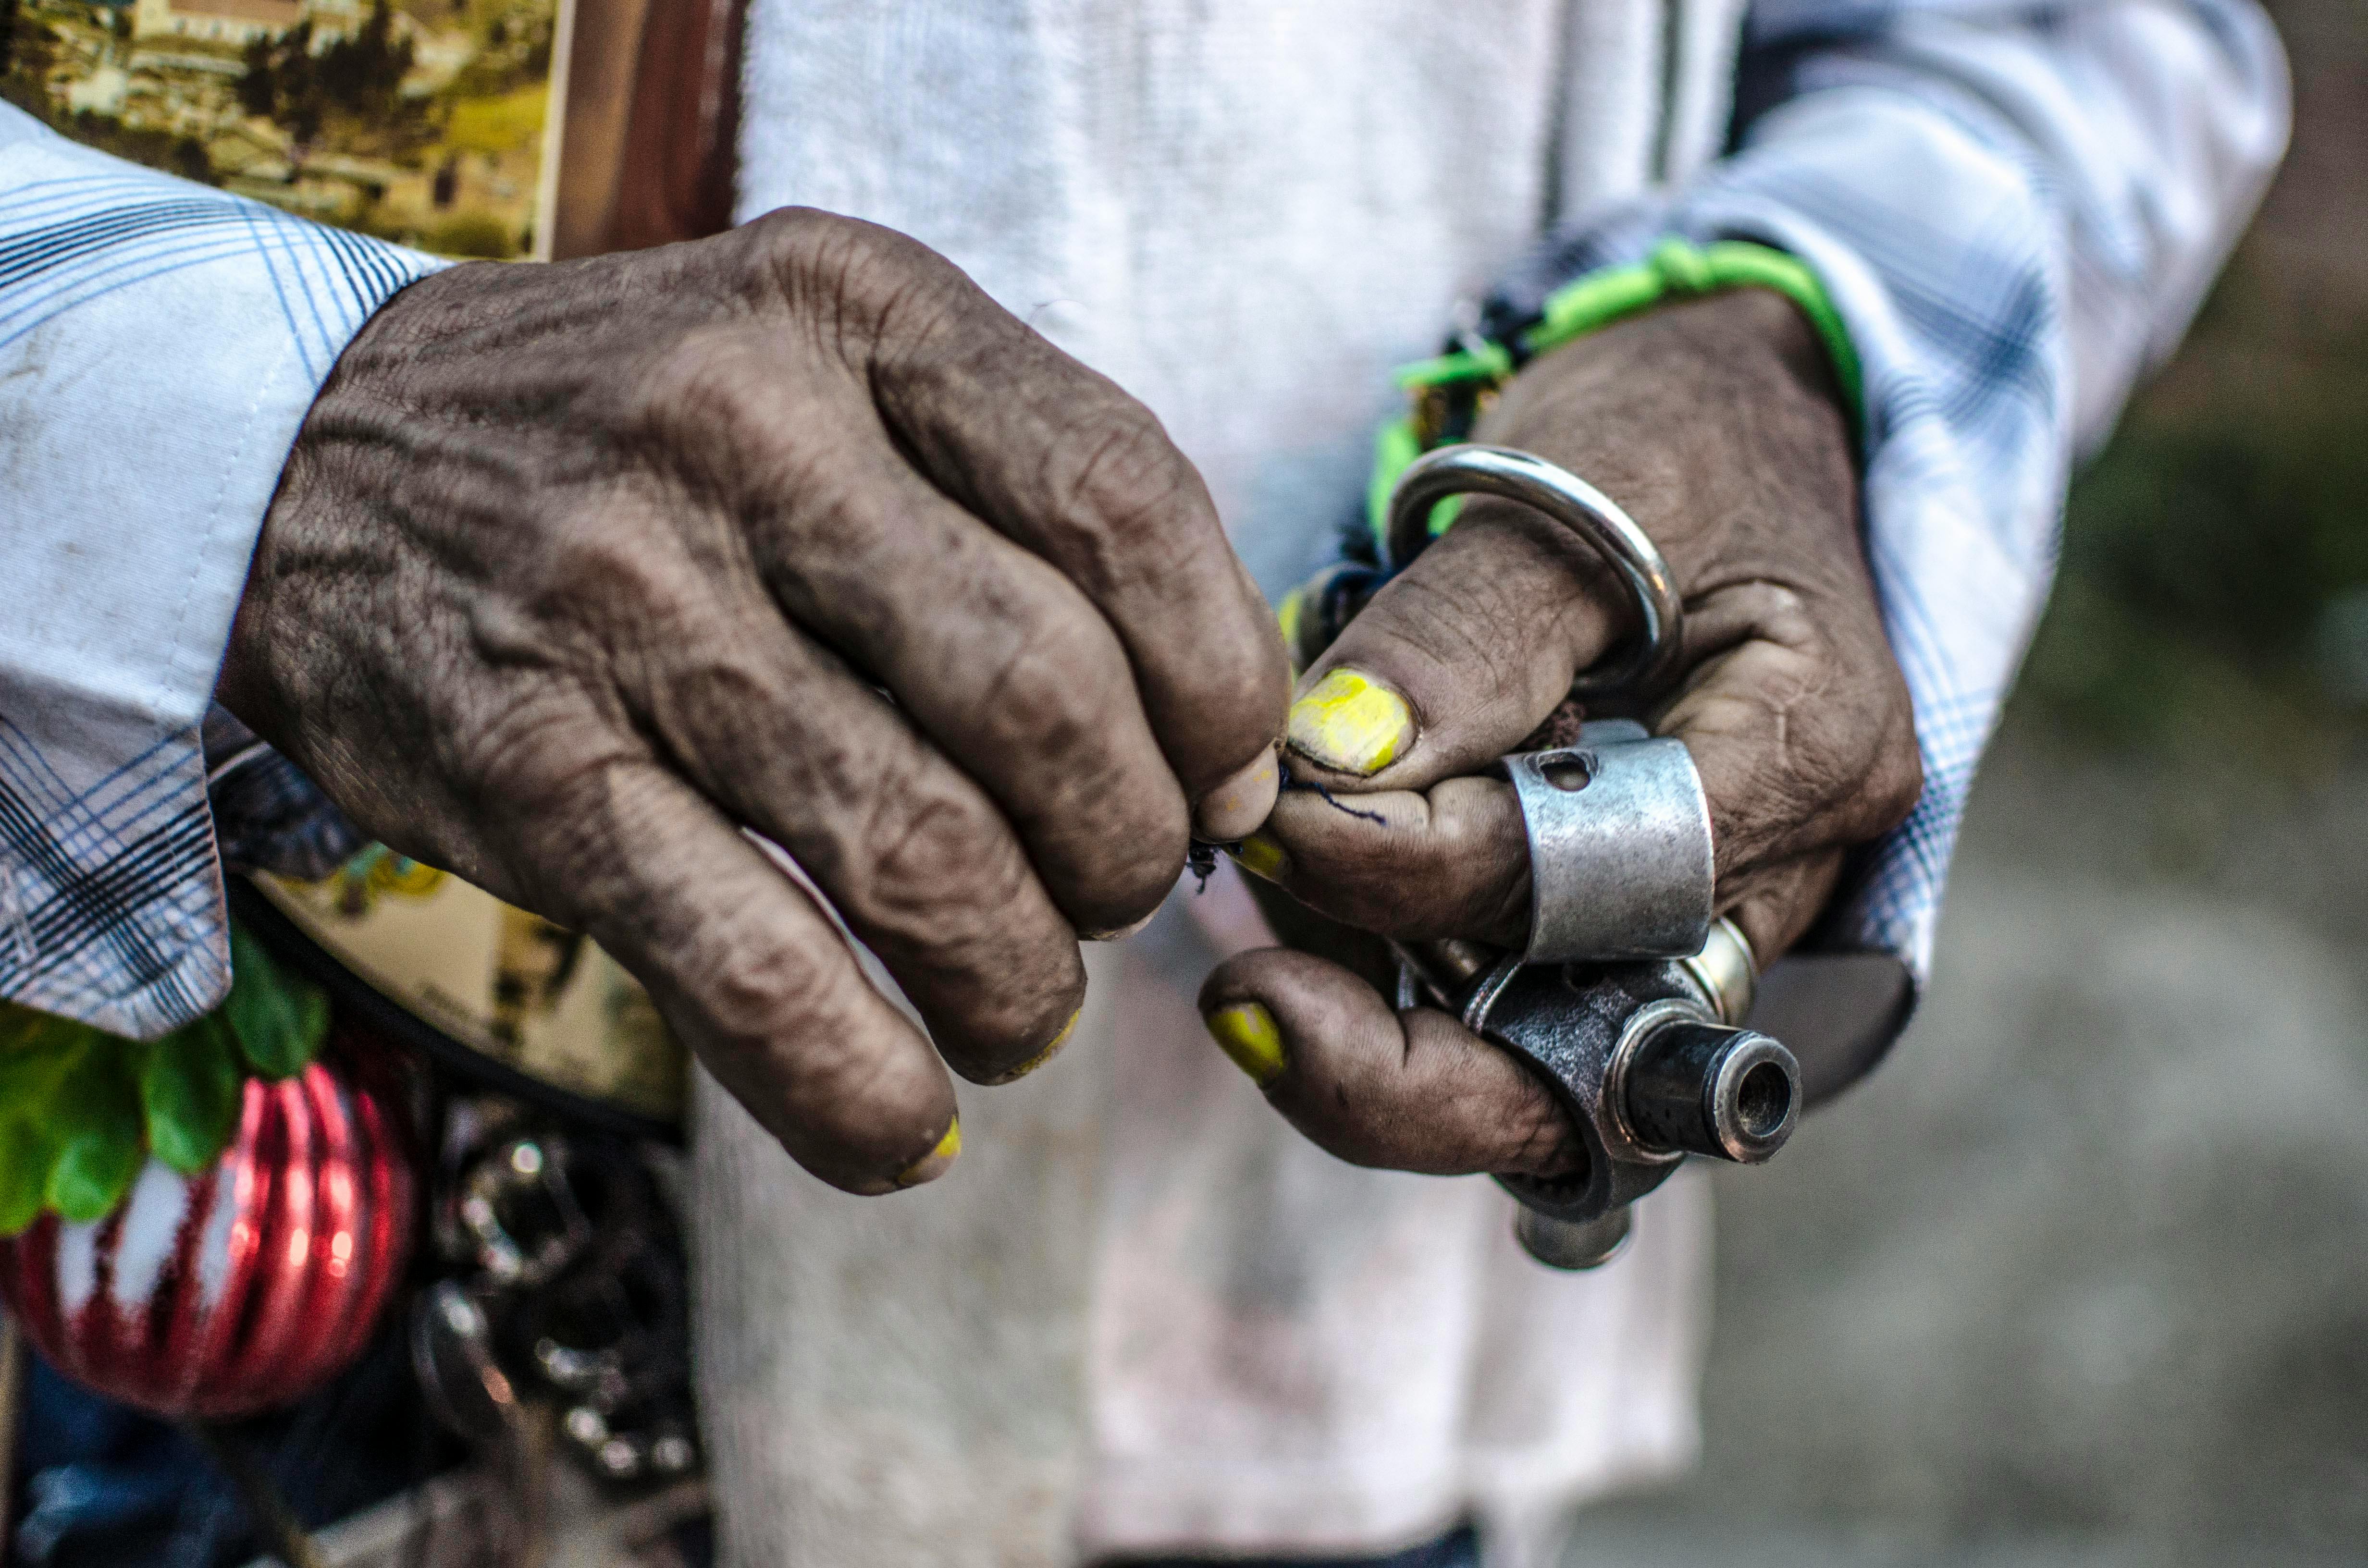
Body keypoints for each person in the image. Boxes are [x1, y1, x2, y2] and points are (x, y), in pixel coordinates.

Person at [0, 0, 2286, 1564]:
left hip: (1288, 1400)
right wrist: (211, 440)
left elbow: (2060, 50)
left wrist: (1799, 332)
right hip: (137, 1300)